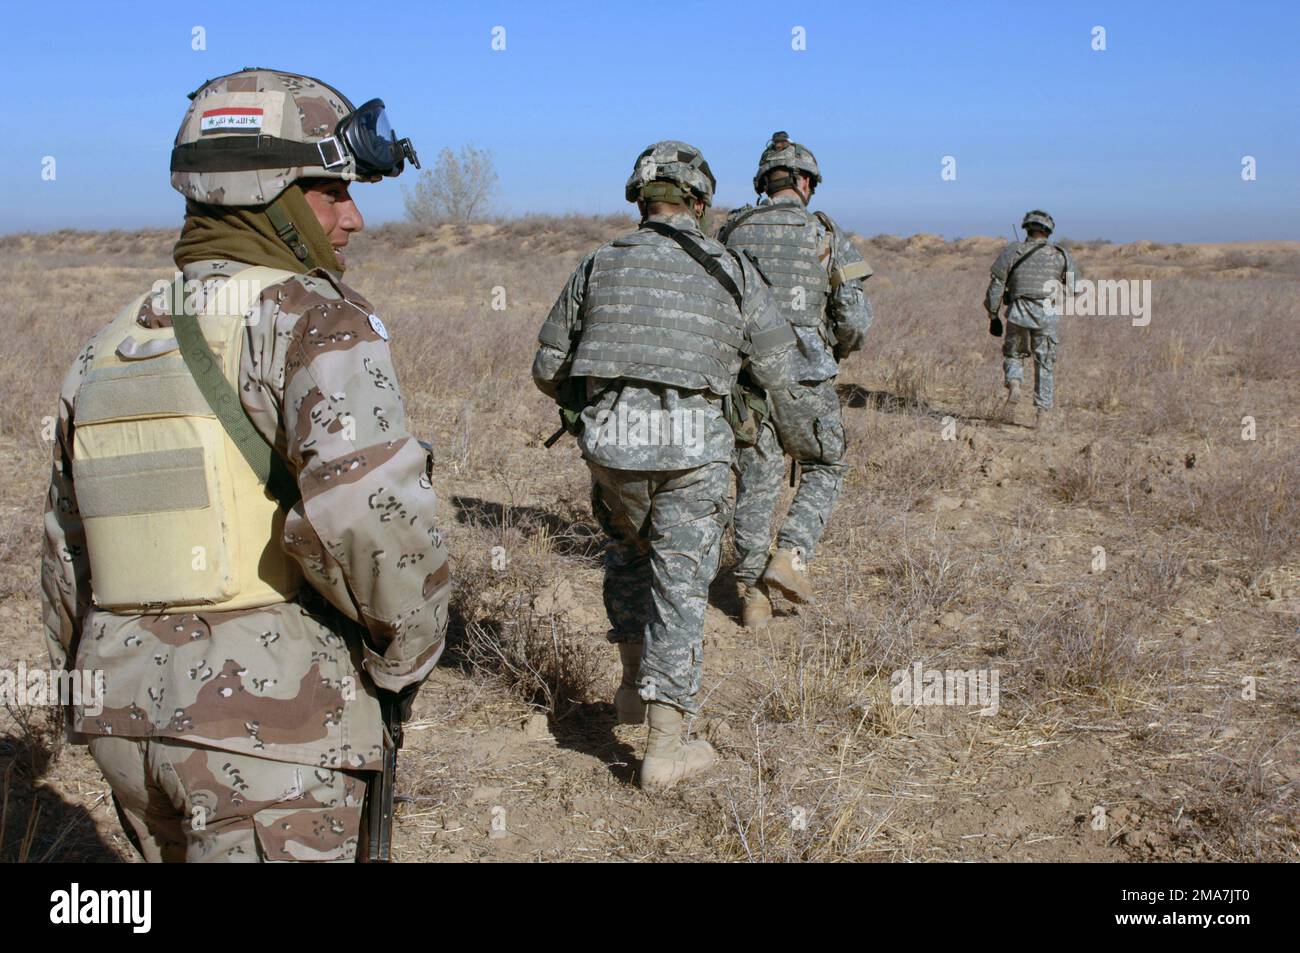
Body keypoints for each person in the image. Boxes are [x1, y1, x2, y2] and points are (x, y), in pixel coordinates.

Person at [40, 68, 448, 862]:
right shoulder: (315, 323)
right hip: (267, 736)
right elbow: (373, 521)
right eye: (332, 192)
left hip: (125, 727)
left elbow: (64, 549)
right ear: (276, 198)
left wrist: (79, 692)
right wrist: (405, 660)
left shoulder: (113, 340)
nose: (354, 216)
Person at [532, 140, 805, 792]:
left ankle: (630, 688)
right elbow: (778, 371)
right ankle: (667, 744)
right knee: (680, 586)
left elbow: (547, 368)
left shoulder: (598, 263)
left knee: (628, 551)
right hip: (693, 454)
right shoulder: (731, 269)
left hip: (613, 453)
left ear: (640, 199)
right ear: (702, 201)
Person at [718, 132, 873, 628]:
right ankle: (790, 557)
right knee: (825, 465)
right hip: (805, 376)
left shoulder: (732, 231)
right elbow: (854, 316)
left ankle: (750, 595)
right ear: (805, 182)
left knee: (755, 483)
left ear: (765, 182)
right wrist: (834, 353)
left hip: (746, 378)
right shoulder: (825, 234)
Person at [984, 209, 1082, 430]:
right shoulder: (1061, 254)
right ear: (1048, 231)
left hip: (1018, 311)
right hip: (1047, 314)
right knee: (1044, 363)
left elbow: (996, 285)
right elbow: (1076, 288)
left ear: (1027, 228)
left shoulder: (1013, 251)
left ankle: (1015, 384)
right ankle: (1042, 415)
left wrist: (993, 314)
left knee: (1014, 354)